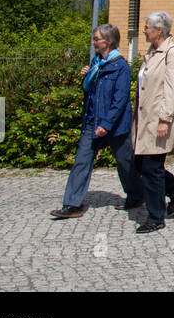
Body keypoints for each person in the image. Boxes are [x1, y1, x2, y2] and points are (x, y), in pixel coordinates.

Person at [50, 24, 138, 218]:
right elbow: (91, 93)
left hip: (114, 125)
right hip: (92, 121)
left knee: (125, 162)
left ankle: (136, 194)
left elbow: (120, 99)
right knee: (81, 161)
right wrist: (87, 76)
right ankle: (72, 205)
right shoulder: (97, 62)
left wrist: (106, 125)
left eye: (96, 39)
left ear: (107, 41)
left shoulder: (120, 66)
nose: (93, 42)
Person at [132, 11, 174, 233]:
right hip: (145, 118)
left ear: (159, 30)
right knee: (140, 164)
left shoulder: (172, 54)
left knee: (151, 167)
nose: (144, 30)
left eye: (147, 27)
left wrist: (164, 120)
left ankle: (156, 217)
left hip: (160, 118)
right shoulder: (152, 51)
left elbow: (172, 87)